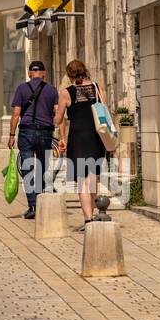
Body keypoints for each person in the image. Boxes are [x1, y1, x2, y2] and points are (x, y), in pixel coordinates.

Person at [53, 61, 108, 227]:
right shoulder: (97, 88)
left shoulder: (66, 93)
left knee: (82, 180)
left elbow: (58, 118)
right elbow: (105, 109)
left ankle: (88, 219)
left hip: (78, 139)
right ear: (85, 71)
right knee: (92, 178)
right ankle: (92, 215)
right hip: (96, 137)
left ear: (69, 75)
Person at [8, 60, 60, 219]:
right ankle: (41, 201)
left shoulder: (21, 88)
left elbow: (16, 114)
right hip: (45, 132)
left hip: (26, 132)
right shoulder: (51, 90)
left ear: (30, 73)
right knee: (43, 168)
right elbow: (58, 114)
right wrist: (61, 135)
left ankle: (32, 206)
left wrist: (11, 135)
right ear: (44, 73)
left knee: (28, 168)